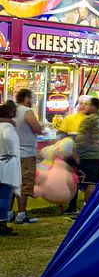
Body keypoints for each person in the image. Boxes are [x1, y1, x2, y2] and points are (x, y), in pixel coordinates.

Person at [12, 89, 41, 224]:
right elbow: (37, 128)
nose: (33, 101)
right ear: (26, 98)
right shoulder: (27, 111)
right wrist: (41, 128)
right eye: (32, 98)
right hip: (26, 153)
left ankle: (8, 213)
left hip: (12, 153)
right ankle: (21, 214)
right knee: (25, 184)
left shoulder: (13, 111)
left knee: (12, 183)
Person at [75, 96, 99, 203]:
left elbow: (81, 139)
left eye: (88, 105)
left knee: (89, 182)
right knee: (96, 182)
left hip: (88, 156)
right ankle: (94, 206)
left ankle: (87, 208)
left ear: (94, 107)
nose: (85, 107)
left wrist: (76, 153)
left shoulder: (89, 120)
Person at [0, 101, 20, 236]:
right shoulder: (7, 127)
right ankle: (2, 223)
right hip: (5, 165)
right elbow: (8, 138)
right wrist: (12, 153)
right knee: (4, 194)